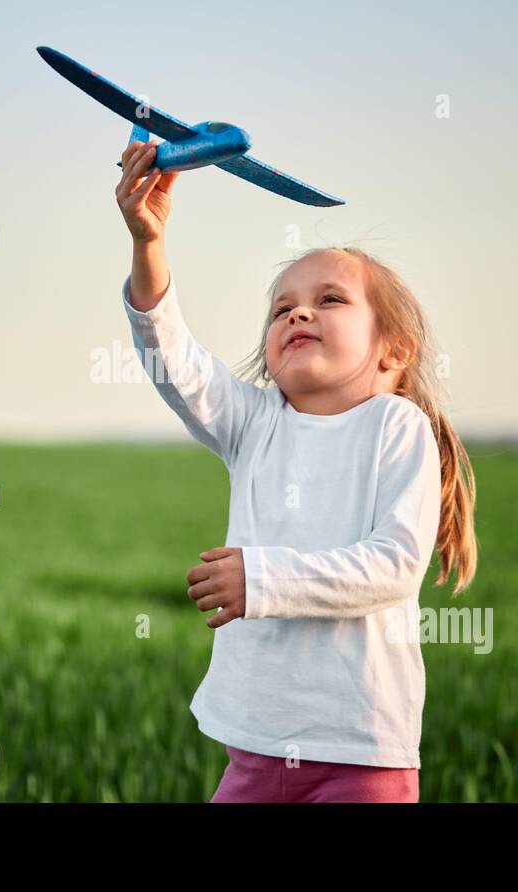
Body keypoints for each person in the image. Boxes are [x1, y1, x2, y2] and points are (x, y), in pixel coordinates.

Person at [116, 139, 479, 803]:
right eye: (282, 308)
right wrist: (149, 243)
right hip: (254, 750)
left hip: (361, 752)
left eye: (330, 300)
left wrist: (261, 577)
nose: (299, 312)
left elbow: (393, 566)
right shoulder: (255, 424)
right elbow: (174, 360)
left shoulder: (397, 429)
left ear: (393, 349)